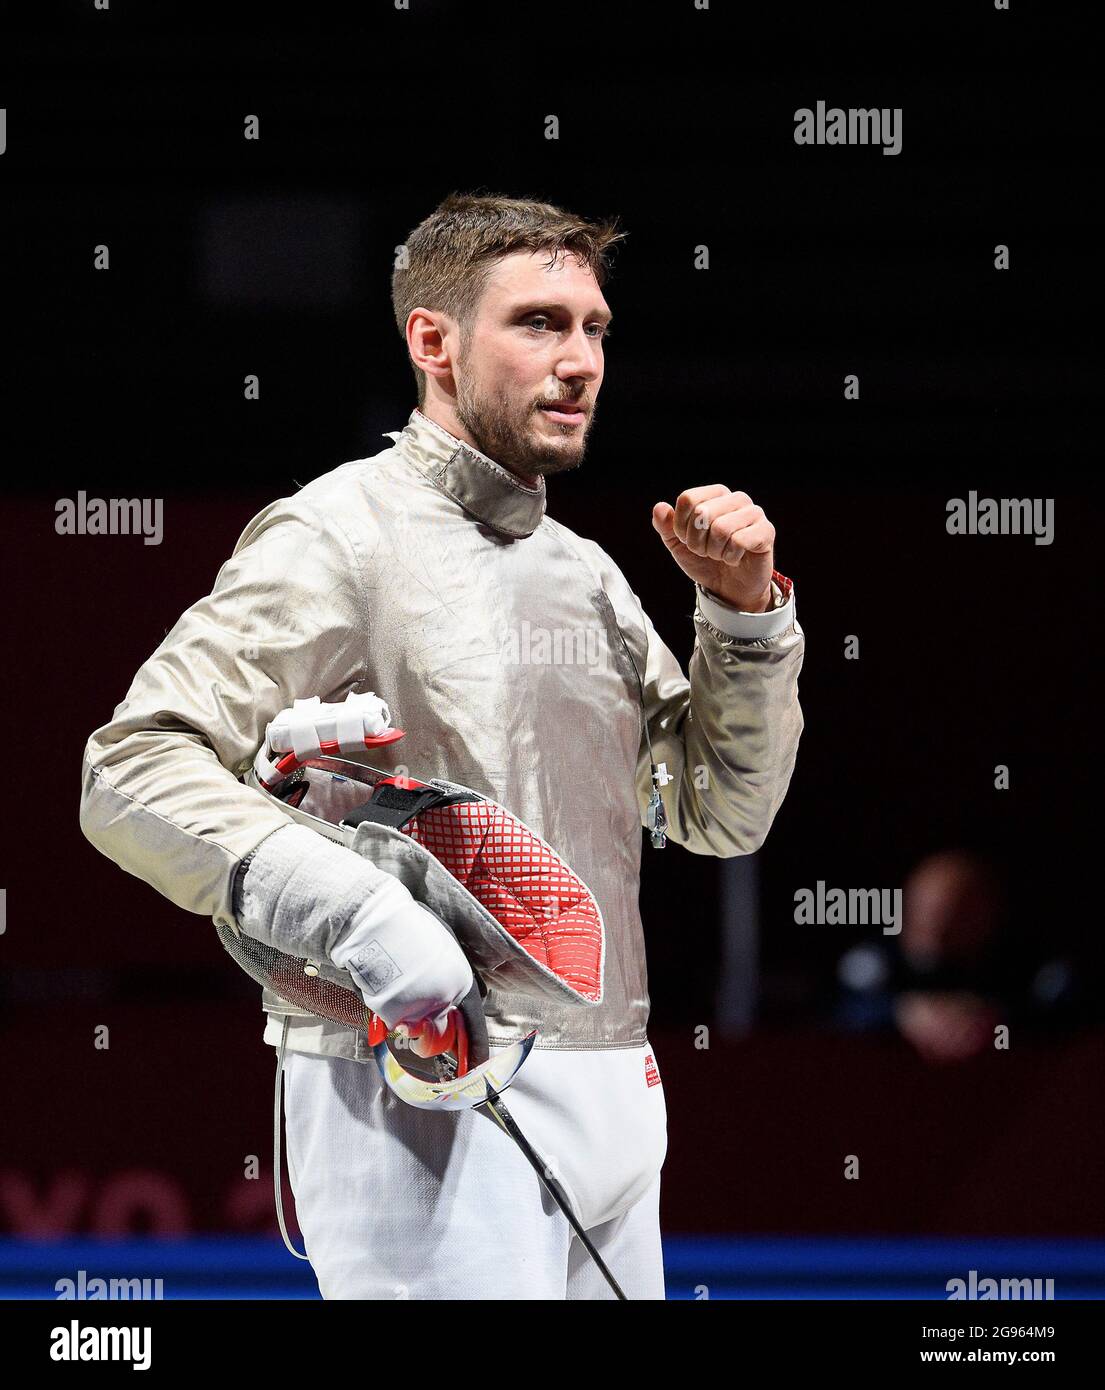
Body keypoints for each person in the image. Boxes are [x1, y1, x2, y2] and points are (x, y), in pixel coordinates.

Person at [79, 191, 805, 1299]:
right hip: (421, 1088)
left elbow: (718, 812)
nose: (580, 361)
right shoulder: (338, 534)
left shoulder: (588, 575)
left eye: (594, 327)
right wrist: (365, 920)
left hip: (614, 1082)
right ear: (433, 341)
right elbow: (130, 768)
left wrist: (746, 623)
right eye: (538, 323)